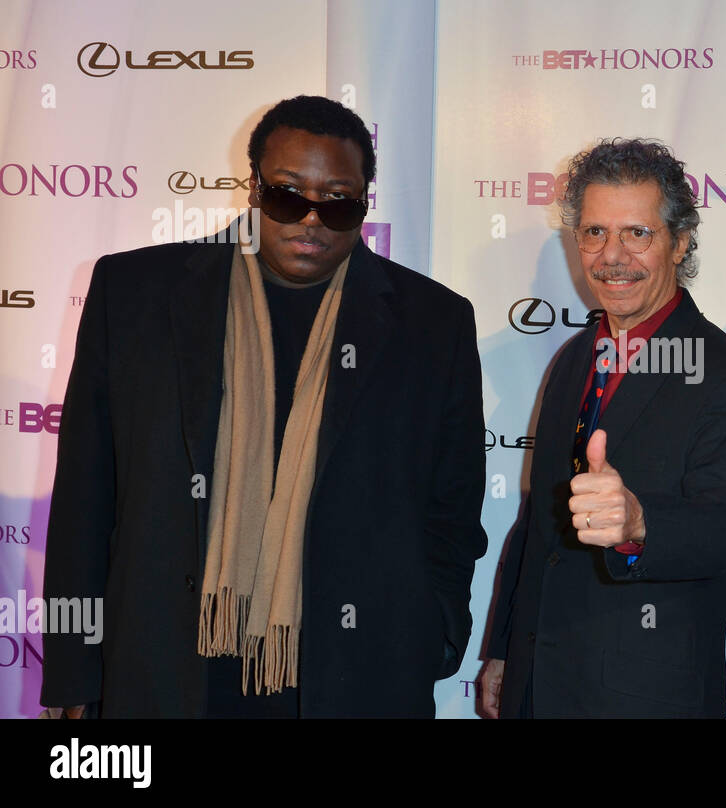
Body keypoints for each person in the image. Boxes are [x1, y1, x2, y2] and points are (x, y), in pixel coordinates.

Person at [40, 95, 487, 718]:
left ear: (363, 203)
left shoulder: (432, 322)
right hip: (168, 665)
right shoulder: (135, 294)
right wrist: (73, 673)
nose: (310, 219)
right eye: (286, 194)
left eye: (338, 201)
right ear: (253, 189)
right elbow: (87, 500)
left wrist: (431, 638)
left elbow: (454, 506)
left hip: (357, 671)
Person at [479, 138, 726, 718]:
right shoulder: (573, 357)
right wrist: (504, 652)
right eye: (594, 233)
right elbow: (537, 524)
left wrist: (639, 523)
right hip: (540, 684)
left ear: (679, 242)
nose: (611, 256)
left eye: (637, 234)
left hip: (646, 697)